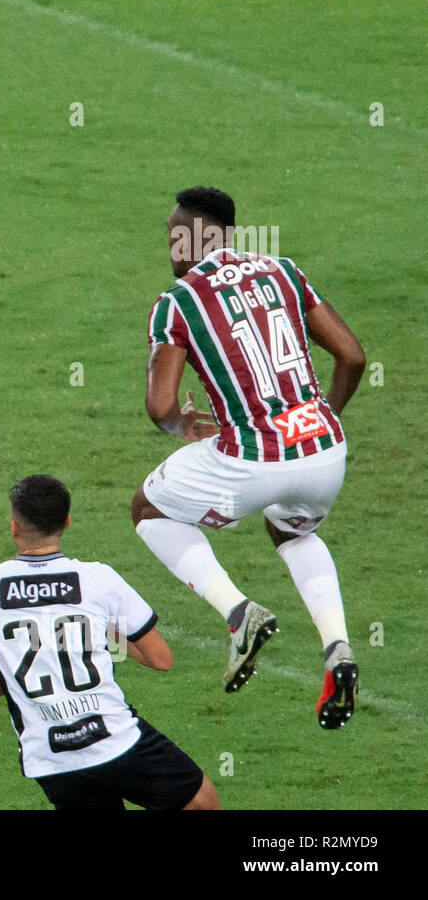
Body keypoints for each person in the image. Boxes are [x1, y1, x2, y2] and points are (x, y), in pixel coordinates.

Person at [132, 187, 365, 728]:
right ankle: (338, 646)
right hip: (326, 451)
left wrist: (178, 426)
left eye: (173, 236)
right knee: (293, 531)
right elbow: (352, 355)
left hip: (254, 457)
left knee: (147, 509)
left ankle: (239, 613)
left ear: (194, 237)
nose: (169, 249)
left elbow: (160, 404)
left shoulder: (178, 300)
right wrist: (320, 417)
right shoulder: (283, 271)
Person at [0, 475, 220, 810]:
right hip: (115, 738)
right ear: (67, 522)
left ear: (14, 528)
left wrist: (10, 679)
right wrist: (104, 626)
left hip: (50, 759)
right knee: (201, 802)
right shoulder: (99, 579)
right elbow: (161, 659)